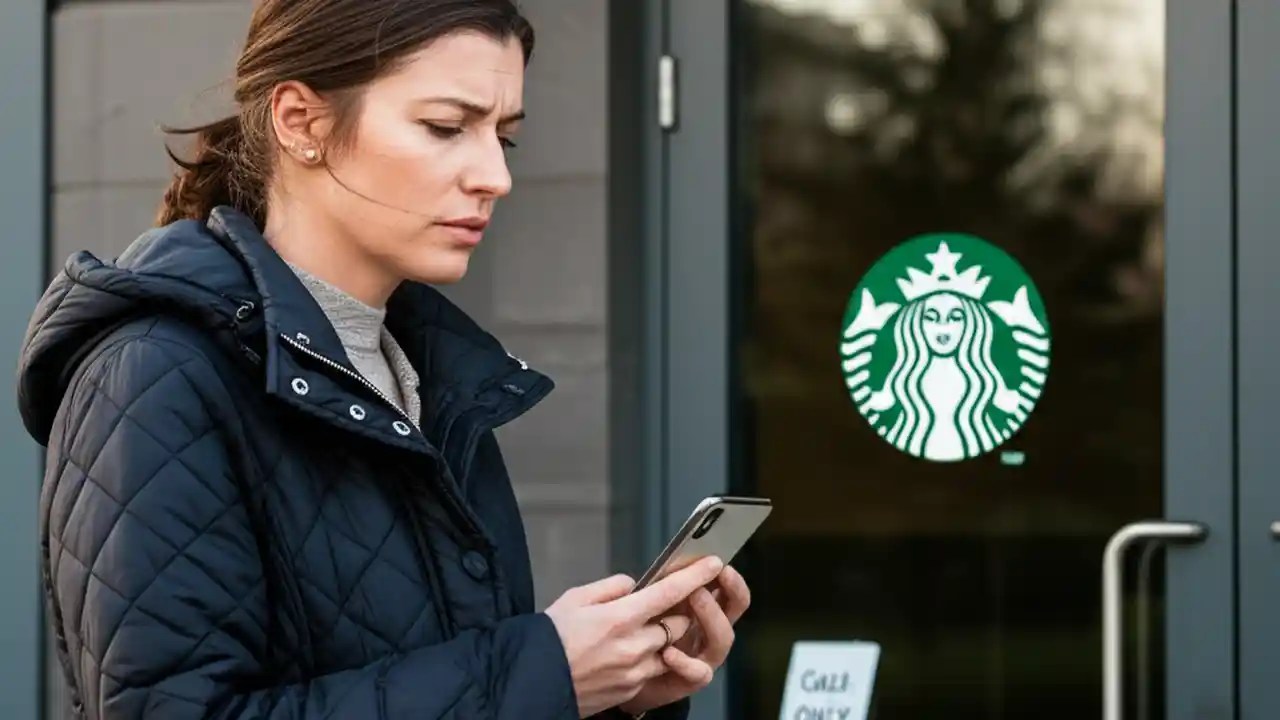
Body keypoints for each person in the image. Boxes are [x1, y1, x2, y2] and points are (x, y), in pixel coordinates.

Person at [15, 1, 751, 718]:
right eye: (445, 127)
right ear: (301, 121)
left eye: (505, 137)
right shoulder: (154, 375)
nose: (495, 175)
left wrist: (607, 695)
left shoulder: (430, 378)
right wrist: (541, 673)